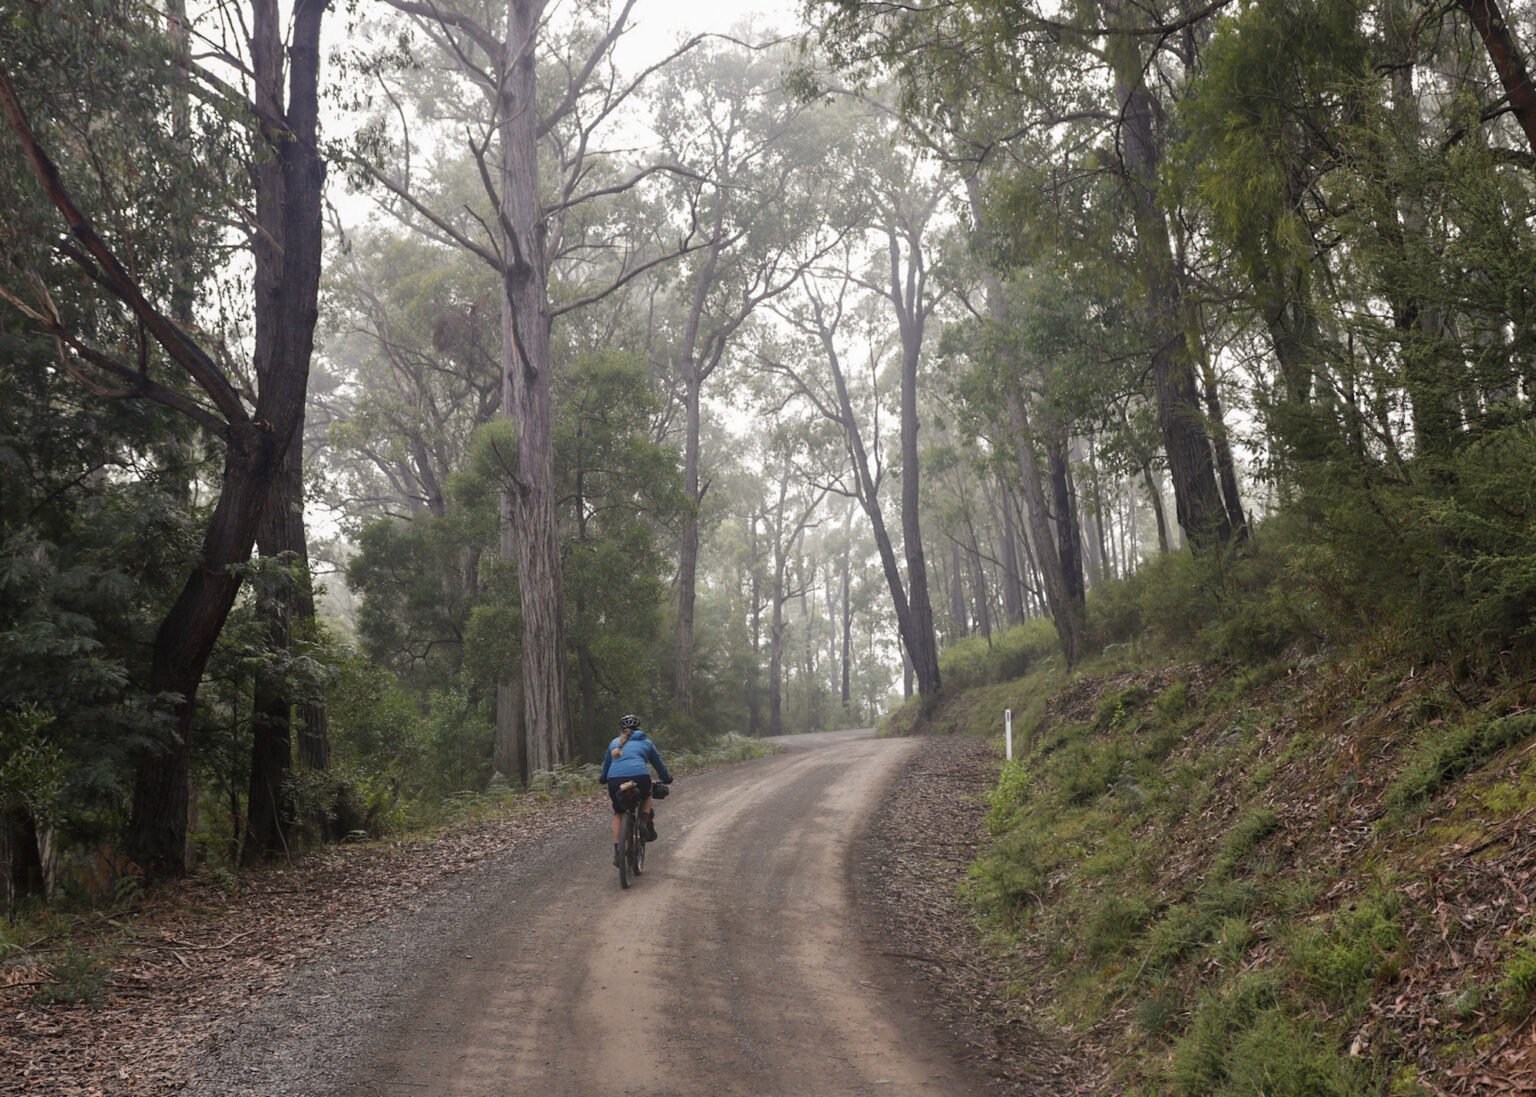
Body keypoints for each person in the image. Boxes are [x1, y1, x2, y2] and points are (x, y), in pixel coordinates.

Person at [599, 714, 673, 867]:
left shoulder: (614, 743)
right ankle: (643, 822)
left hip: (615, 780)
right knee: (647, 795)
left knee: (619, 814)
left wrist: (603, 778)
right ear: (638, 728)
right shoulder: (646, 742)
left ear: (622, 730)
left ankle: (618, 853)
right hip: (640, 777)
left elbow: (606, 765)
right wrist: (666, 778)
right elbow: (658, 764)